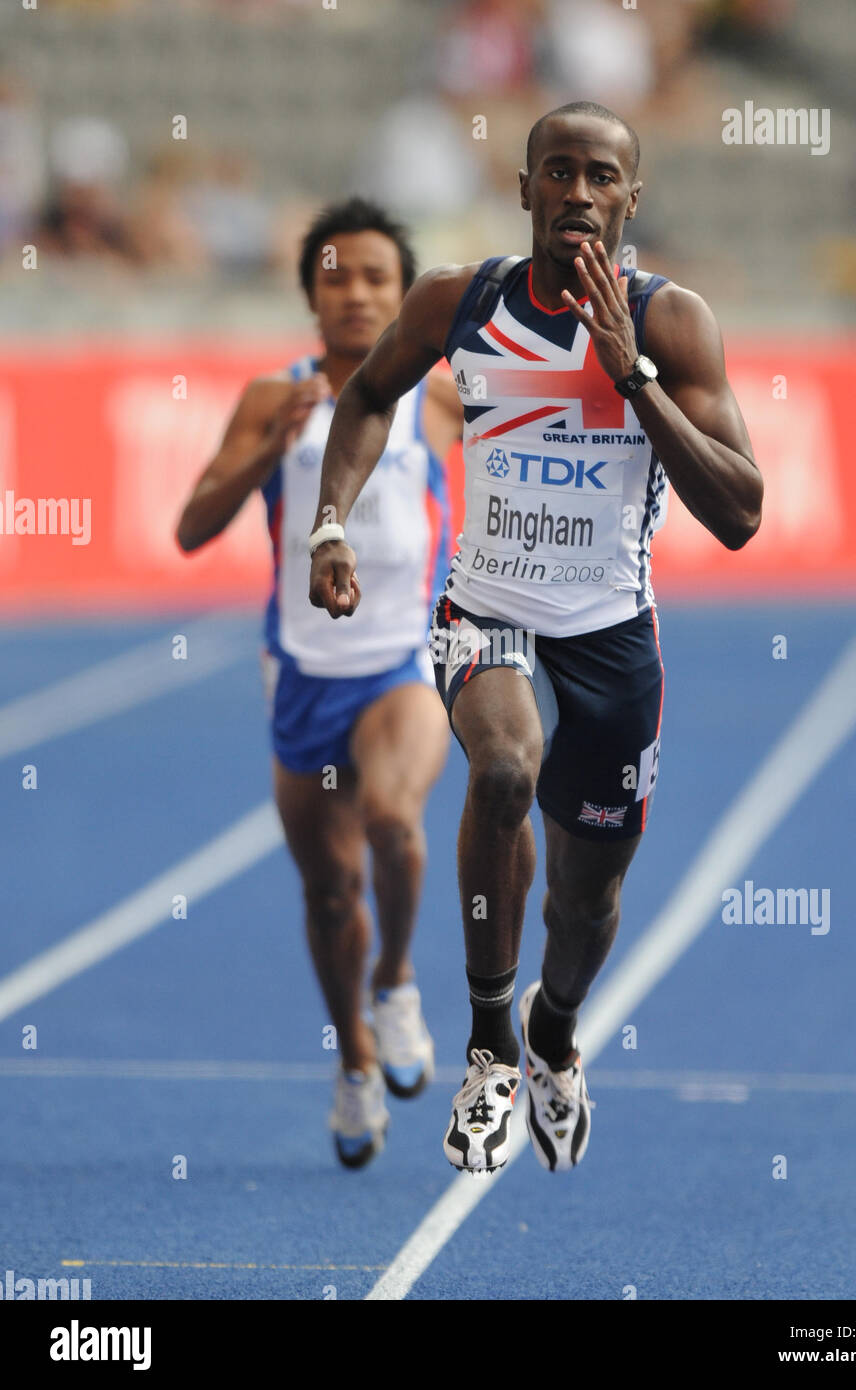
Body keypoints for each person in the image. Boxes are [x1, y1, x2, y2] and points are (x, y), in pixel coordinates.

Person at [308, 105, 763, 1175]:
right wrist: (332, 517)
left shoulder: (670, 323)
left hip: (610, 637)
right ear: (524, 190)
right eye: (556, 171)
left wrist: (632, 375)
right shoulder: (459, 303)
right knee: (505, 767)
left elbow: (740, 513)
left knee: (586, 896)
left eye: (600, 175)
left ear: (629, 199)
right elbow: (370, 393)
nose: (577, 192)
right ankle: (489, 1045)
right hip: (487, 609)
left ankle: (555, 1029)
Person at [177, 198, 463, 1168]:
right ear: (309, 293)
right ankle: (352, 1058)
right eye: (337, 276)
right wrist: (269, 446)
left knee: (393, 820)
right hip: (301, 673)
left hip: (401, 664)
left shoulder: (442, 396)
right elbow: (190, 526)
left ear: (405, 293)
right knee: (332, 888)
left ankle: (398, 980)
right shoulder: (274, 396)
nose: (356, 293)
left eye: (378, 277)